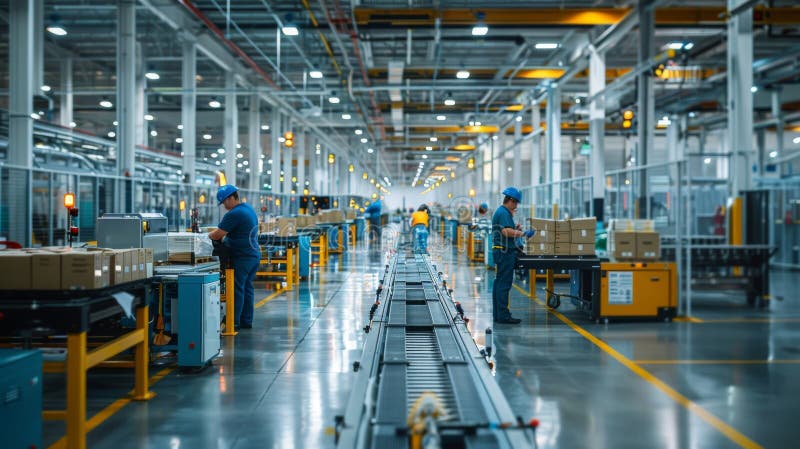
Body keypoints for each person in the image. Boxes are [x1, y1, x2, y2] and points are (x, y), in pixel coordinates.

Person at [208, 185, 260, 330]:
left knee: (237, 288)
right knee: (247, 287)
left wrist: (202, 237)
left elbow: (217, 234)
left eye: (224, 202)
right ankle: (246, 320)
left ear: (231, 197)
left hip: (244, 256)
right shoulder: (247, 208)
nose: (224, 206)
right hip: (253, 255)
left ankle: (233, 321)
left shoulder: (234, 214)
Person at [491, 187, 535, 324]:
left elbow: (507, 229)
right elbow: (505, 231)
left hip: (502, 251)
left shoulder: (502, 212)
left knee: (499, 283)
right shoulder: (503, 212)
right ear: (510, 201)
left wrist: (516, 230)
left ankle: (499, 315)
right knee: (504, 284)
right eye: (515, 203)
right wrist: (522, 234)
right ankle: (503, 316)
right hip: (504, 252)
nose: (516, 206)